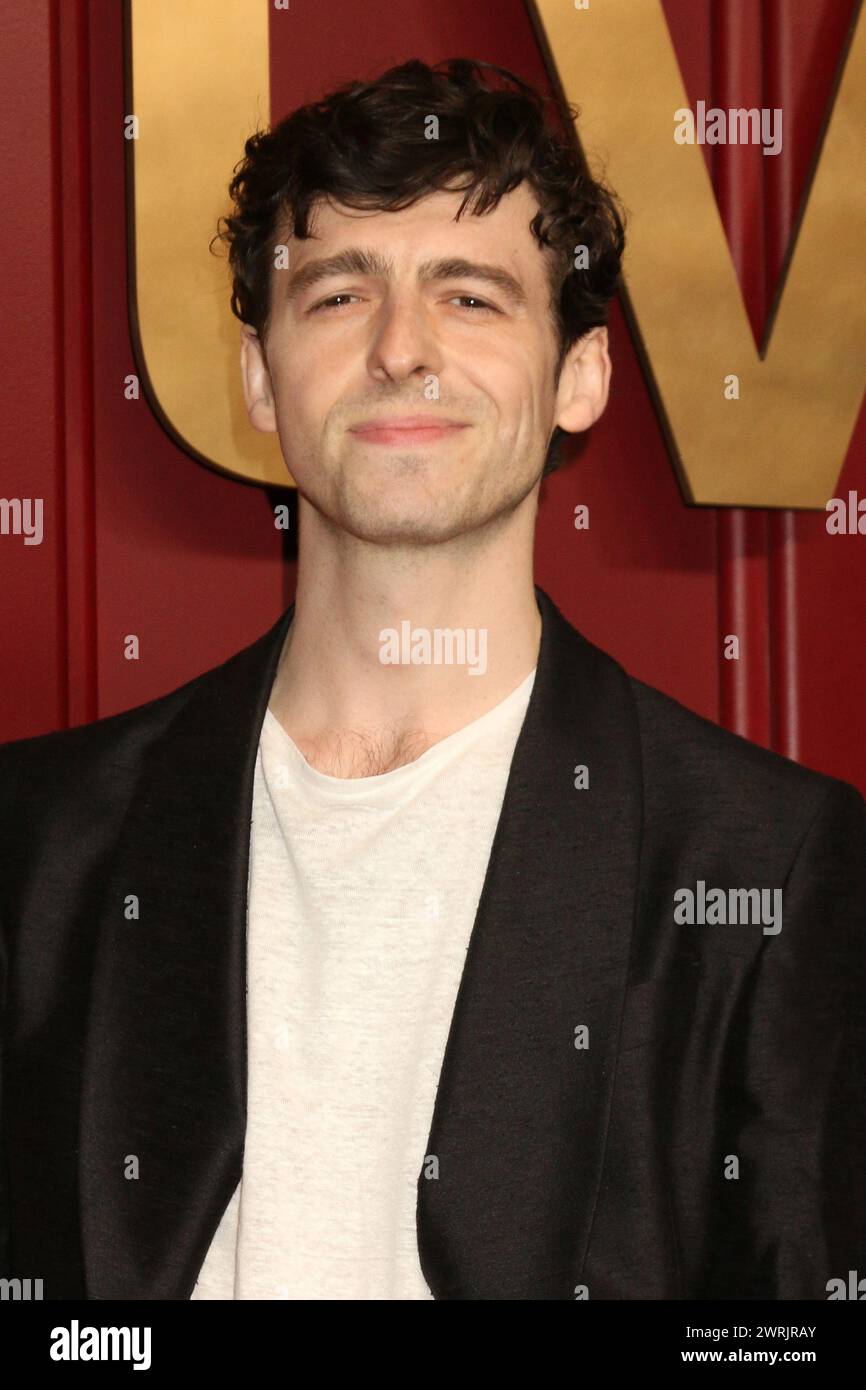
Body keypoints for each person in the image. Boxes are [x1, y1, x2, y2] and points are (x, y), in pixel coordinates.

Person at [1, 58, 864, 1302]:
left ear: (580, 375)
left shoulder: (752, 861)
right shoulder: (44, 846)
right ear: (257, 375)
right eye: (340, 293)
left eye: (471, 297)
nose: (401, 350)